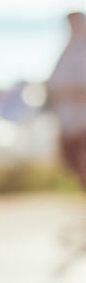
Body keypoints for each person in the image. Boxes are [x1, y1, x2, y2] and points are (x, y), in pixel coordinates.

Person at [46, 10, 86, 189]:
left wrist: (73, 92)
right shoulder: (67, 49)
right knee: (71, 161)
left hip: (82, 119)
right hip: (68, 118)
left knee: (82, 160)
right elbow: (53, 83)